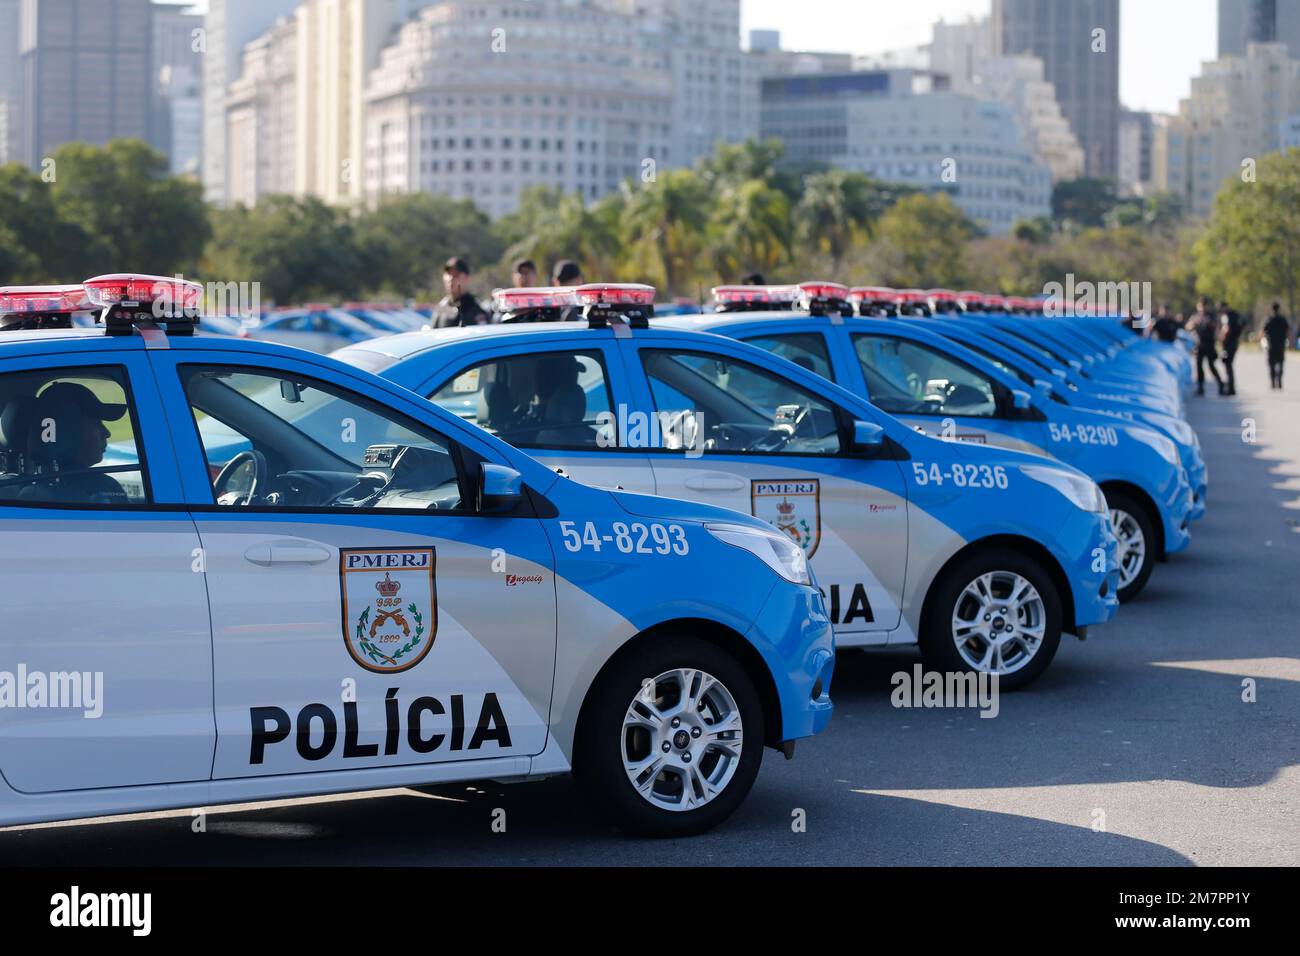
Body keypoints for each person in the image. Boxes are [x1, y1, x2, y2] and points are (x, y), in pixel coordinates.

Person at [18, 382, 129, 504]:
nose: (107, 433)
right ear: (68, 432)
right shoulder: (104, 488)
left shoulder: (17, 489)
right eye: (97, 424)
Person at [432, 257, 490, 328]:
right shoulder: (442, 306)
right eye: (448, 274)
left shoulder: (476, 309)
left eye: (456, 275)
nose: (450, 278)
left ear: (466, 278)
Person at [1186, 298, 1225, 396]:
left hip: (1209, 344)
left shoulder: (1211, 316)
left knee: (1211, 366)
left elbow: (1215, 327)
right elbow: (1188, 326)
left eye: (1204, 306)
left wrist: (1207, 322)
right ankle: (1200, 387)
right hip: (1199, 345)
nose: (1202, 308)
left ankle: (1221, 384)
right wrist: (1194, 323)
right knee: (1199, 367)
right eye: (1200, 306)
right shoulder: (1195, 316)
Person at [1217, 299, 1245, 395]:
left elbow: (1226, 329)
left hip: (1228, 343)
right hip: (1234, 342)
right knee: (1229, 364)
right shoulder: (1235, 314)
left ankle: (1230, 388)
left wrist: (1221, 338)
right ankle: (1231, 387)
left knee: (1227, 364)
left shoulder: (1226, 316)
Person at [1263, 302, 1291, 390]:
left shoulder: (1269, 319)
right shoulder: (1283, 320)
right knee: (1281, 363)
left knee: (1271, 365)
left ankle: (1272, 382)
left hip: (1271, 345)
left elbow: (1264, 331)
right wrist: (1290, 342)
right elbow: (1288, 331)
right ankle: (1279, 381)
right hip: (1281, 345)